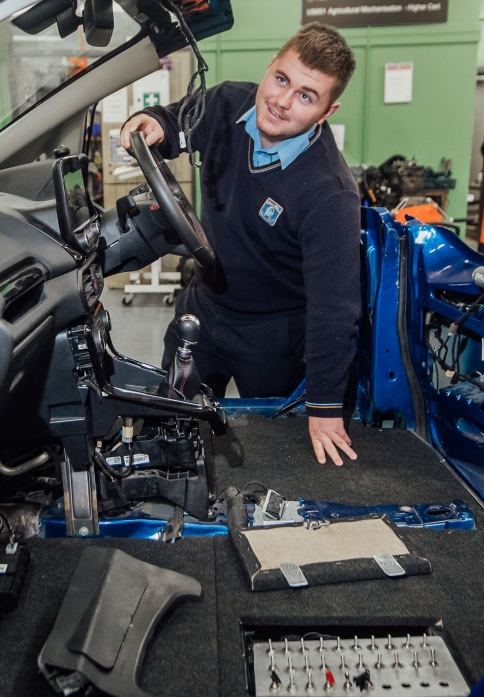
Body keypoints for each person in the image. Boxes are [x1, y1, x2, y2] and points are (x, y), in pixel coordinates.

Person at [120, 23, 362, 466]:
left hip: (272, 335)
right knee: (171, 425)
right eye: (282, 79)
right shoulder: (226, 103)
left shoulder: (330, 193)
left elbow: (336, 307)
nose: (282, 101)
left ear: (327, 111)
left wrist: (325, 406)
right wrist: (156, 121)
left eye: (307, 96)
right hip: (205, 307)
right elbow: (179, 119)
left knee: (271, 452)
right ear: (271, 65)